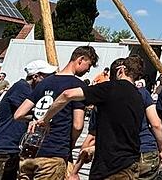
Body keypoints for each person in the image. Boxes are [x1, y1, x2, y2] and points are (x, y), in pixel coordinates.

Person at [38, 56, 162, 180]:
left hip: (108, 167)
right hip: (130, 166)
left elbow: (67, 94)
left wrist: (45, 119)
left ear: (121, 70)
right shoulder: (139, 97)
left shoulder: (109, 88)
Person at [13, 45, 98, 180]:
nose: (88, 70)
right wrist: (71, 143)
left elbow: (18, 114)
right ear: (81, 59)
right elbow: (78, 124)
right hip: (54, 151)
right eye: (89, 65)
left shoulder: (45, 82)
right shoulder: (77, 86)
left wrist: (36, 119)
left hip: (29, 151)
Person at [0, 60, 56, 180]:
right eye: (47, 76)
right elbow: (31, 113)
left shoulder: (31, 92)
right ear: (35, 76)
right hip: (0, 151)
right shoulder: (22, 88)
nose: (50, 80)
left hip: (12, 151)